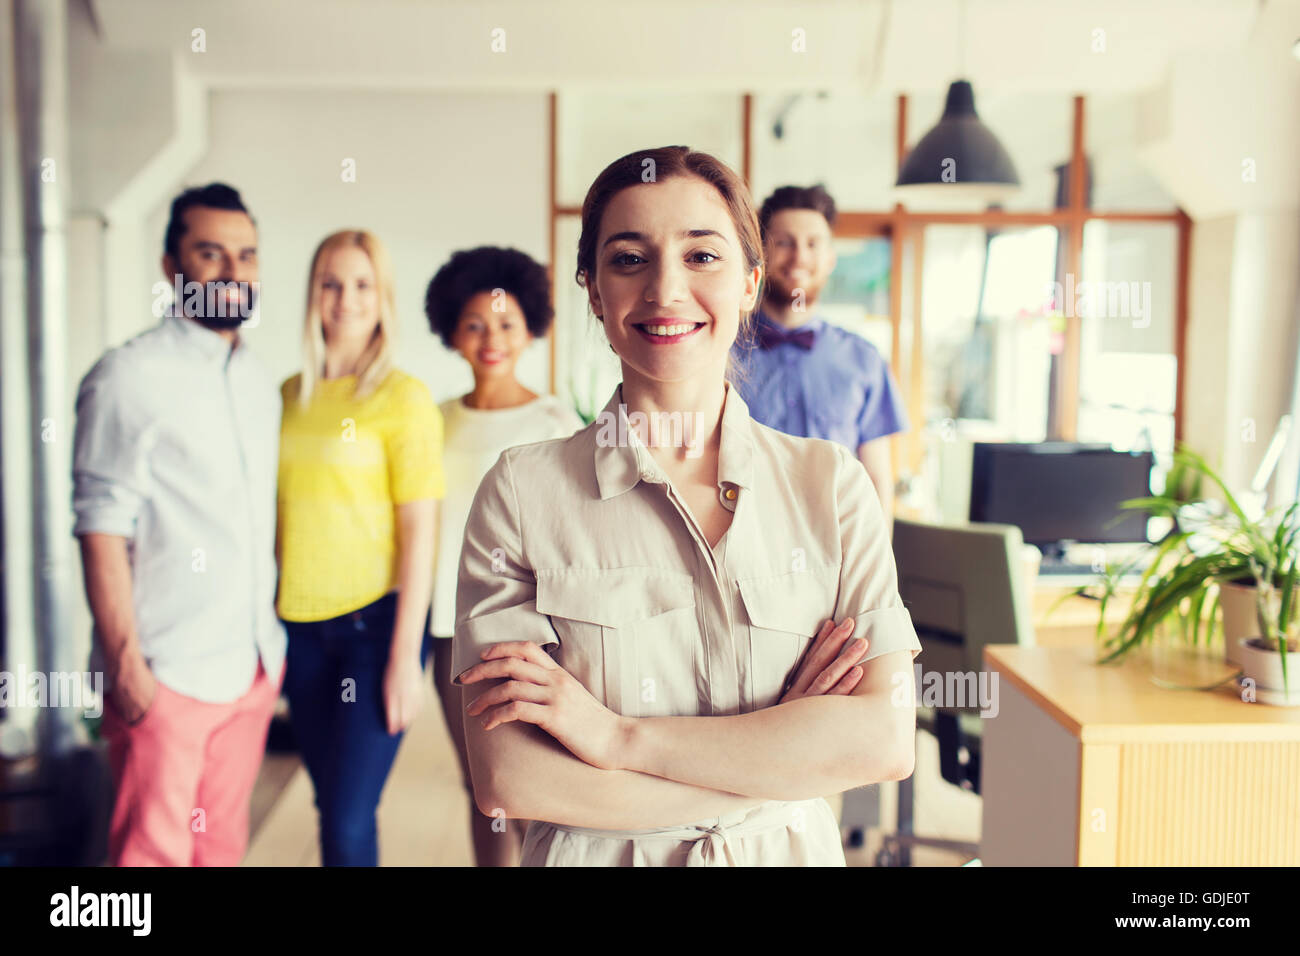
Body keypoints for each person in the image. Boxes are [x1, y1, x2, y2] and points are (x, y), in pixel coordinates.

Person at [451, 147, 922, 866]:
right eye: (629, 259)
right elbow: (512, 778)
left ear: (749, 286)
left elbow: (883, 741)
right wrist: (784, 755)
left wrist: (614, 738)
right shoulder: (520, 495)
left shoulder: (831, 487)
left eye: (702, 257)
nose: (666, 290)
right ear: (594, 292)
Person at [73, 182, 284, 866]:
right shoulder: (126, 377)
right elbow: (100, 525)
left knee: (219, 849)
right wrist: (125, 661)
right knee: (149, 857)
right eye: (210, 253)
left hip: (251, 667)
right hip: (166, 672)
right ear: (172, 267)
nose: (232, 270)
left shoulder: (258, 381)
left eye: (246, 255)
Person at [276, 229, 442, 866]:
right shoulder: (291, 396)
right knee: (332, 808)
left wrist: (405, 658)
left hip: (373, 634)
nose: (346, 299)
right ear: (314, 294)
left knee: (347, 818)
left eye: (362, 284)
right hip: (298, 630)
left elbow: (420, 534)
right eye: (332, 283)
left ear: (383, 299)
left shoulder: (403, 399)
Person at [424, 246, 584, 867]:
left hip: (526, 630)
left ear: (531, 330)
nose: (491, 339)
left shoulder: (553, 420)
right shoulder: (432, 420)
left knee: (533, 784)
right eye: (475, 325)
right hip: (446, 627)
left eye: (506, 324)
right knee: (481, 783)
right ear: (452, 333)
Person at [730, 184, 908, 517]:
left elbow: (876, 481)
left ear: (830, 259)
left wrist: (880, 566)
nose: (799, 256)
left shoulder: (864, 360)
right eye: (784, 242)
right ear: (761, 254)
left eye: (813, 244)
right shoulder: (720, 353)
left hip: (838, 551)